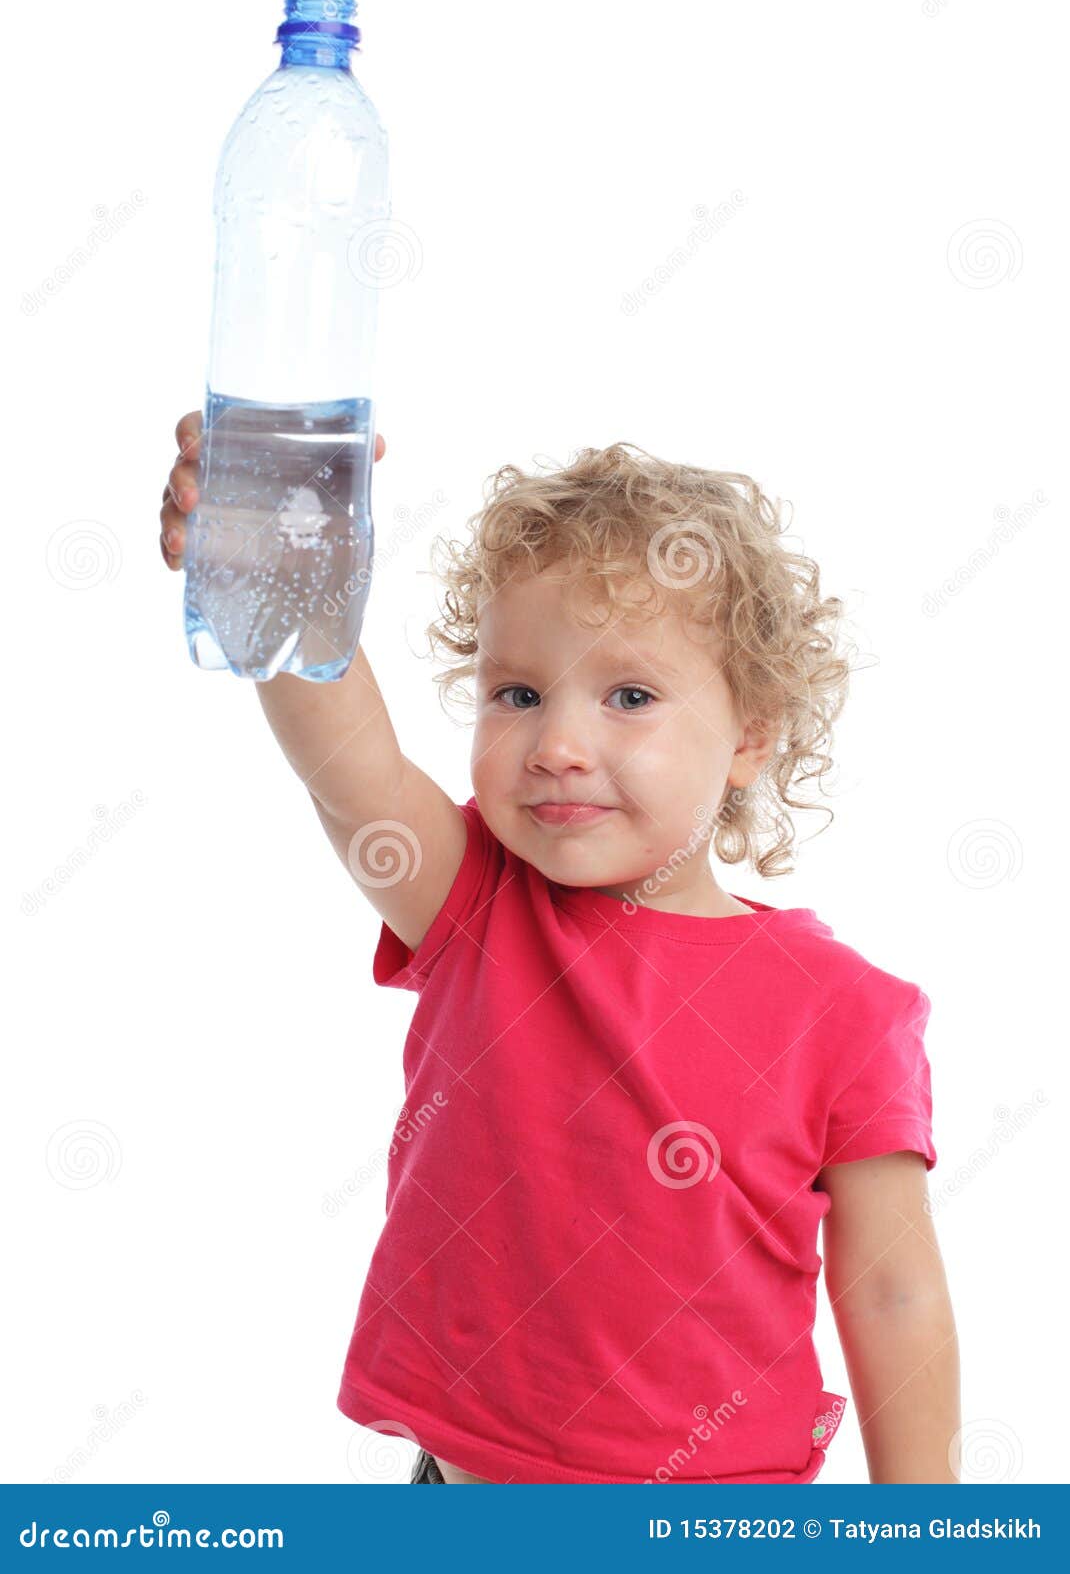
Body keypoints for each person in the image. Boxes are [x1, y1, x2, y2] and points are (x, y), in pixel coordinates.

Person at [159, 415, 959, 1484]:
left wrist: (926, 1526)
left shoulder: (846, 1010)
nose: (557, 745)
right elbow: (345, 763)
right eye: (517, 693)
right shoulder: (476, 899)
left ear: (750, 734)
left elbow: (893, 1292)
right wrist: (277, 578)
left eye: (628, 696)